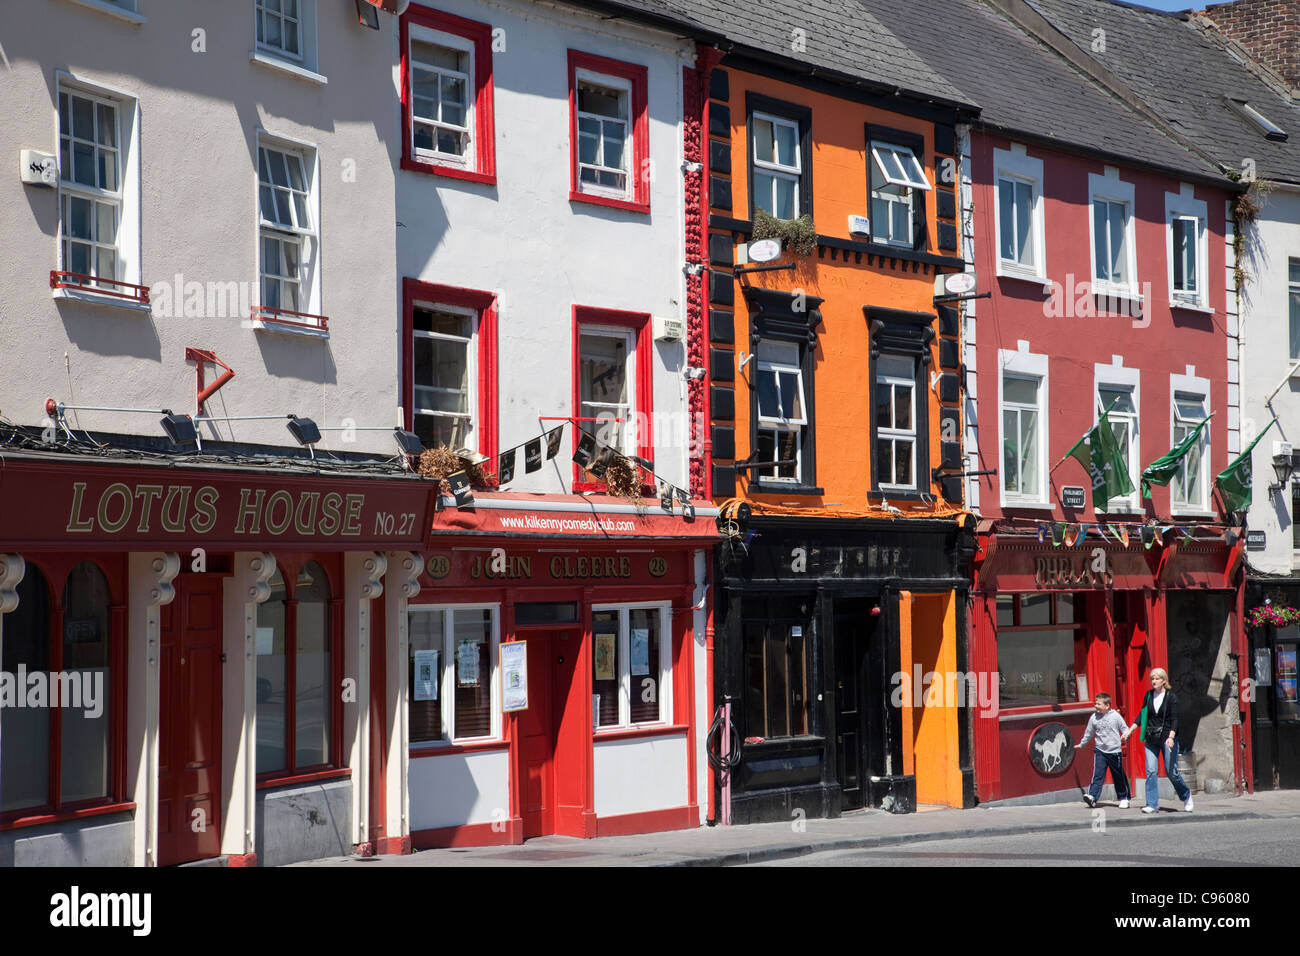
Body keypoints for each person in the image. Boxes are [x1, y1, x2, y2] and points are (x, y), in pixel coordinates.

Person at [1127, 668, 1192, 814]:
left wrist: (1171, 737)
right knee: (1151, 771)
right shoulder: (1148, 695)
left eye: (1157, 679)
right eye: (1152, 679)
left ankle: (1186, 795)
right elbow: (1142, 715)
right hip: (1151, 738)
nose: (1154, 681)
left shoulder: (1171, 697)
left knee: (1171, 772)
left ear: (1164, 681)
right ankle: (1152, 804)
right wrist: (1130, 731)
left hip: (1167, 738)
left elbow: (1175, 719)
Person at [1075, 692, 1132, 808]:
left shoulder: (1115, 716)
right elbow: (1089, 733)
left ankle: (1123, 797)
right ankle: (1092, 797)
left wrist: (1126, 735)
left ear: (1107, 706)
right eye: (1095, 703)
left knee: (1118, 775)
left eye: (1099, 704)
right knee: (1098, 774)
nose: (1096, 706)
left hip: (1114, 751)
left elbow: (1125, 729)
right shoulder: (1094, 717)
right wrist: (1082, 744)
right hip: (1100, 750)